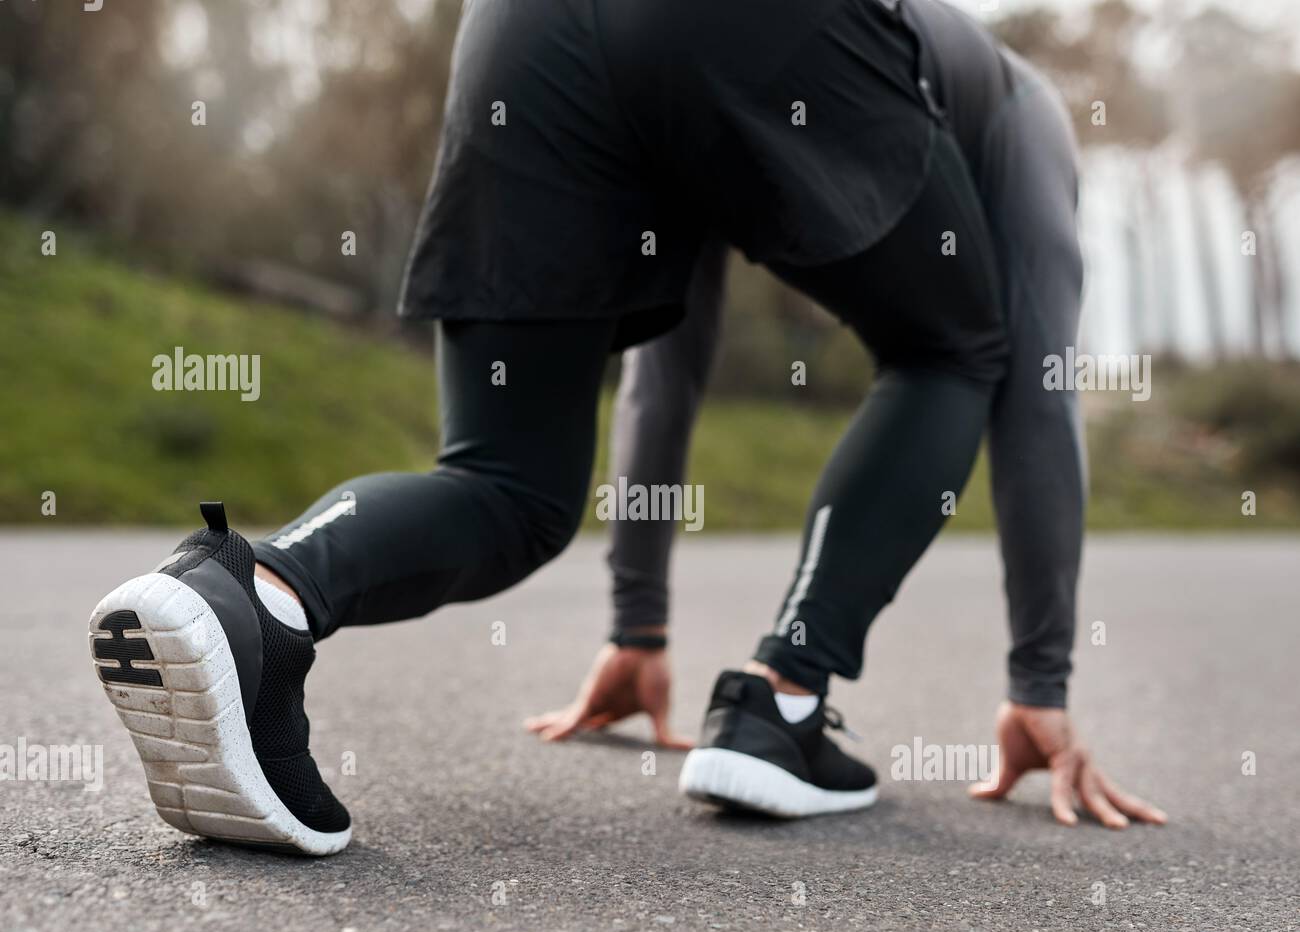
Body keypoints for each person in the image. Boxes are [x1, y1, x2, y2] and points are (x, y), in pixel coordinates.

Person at [89, 0, 1162, 856]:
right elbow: (1036, 386)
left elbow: (668, 351)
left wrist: (637, 630)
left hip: (523, 30)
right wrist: (1040, 684)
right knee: (956, 347)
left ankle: (253, 595)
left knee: (507, 484)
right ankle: (783, 703)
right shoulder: (1026, 110)